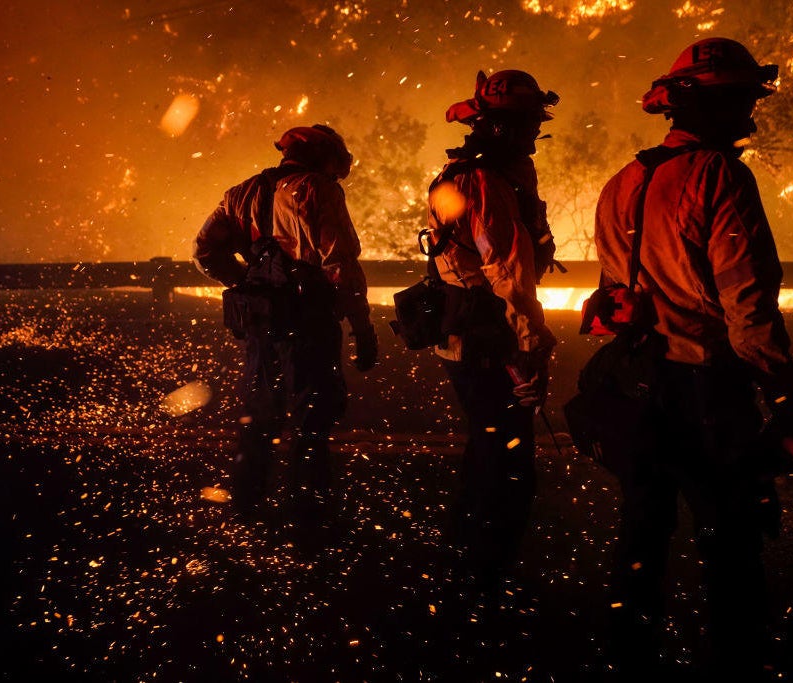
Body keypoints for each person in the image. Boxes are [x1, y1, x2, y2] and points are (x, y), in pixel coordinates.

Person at [591, 38, 793, 680]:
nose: (750, 115)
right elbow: (746, 302)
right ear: (715, 104)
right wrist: (781, 390)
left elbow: (615, 286)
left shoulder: (622, 181)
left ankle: (627, 656)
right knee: (731, 536)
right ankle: (736, 662)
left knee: (642, 531)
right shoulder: (719, 176)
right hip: (705, 389)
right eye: (742, 101)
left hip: (637, 382)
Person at [193, 124, 378, 527]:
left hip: (261, 324)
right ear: (324, 158)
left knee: (259, 416)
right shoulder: (316, 189)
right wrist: (363, 327)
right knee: (313, 418)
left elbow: (204, 249)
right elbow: (339, 263)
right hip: (309, 320)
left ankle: (246, 506)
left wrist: (243, 282)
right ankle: (308, 515)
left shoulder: (242, 193)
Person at [423, 69, 559, 585]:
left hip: (476, 338)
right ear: (500, 127)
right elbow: (506, 270)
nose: (533, 136)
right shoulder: (483, 181)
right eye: (526, 124)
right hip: (490, 342)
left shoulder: (485, 173)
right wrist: (530, 346)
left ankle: (463, 563)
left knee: (486, 452)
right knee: (509, 467)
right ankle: (483, 578)